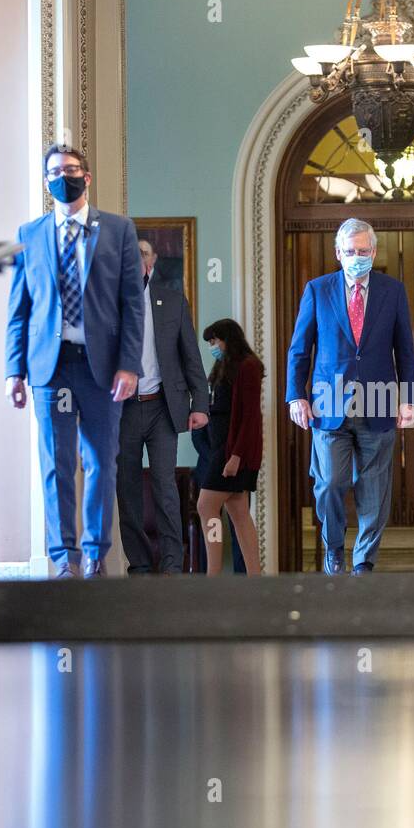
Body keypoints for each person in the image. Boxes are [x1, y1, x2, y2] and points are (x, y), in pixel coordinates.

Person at [5, 143, 144, 579]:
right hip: (50, 366)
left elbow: (131, 304)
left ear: (86, 177)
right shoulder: (30, 234)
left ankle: (95, 556)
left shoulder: (118, 230)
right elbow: (19, 310)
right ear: (47, 183)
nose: (61, 176)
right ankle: (64, 557)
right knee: (56, 462)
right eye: (54, 172)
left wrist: (130, 364)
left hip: (101, 367)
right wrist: (14, 370)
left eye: (69, 169)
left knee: (102, 461)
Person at [286, 217, 414, 576]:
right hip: (328, 402)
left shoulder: (392, 291)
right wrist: (295, 397)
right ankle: (334, 546)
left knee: (375, 490)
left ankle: (363, 561)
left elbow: (405, 349)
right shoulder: (318, 289)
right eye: (350, 252)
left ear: (373, 252)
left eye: (363, 251)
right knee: (329, 482)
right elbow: (299, 350)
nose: (356, 257)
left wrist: (409, 399)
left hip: (380, 401)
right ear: (337, 253)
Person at [115, 230, 210, 575]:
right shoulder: (110, 303)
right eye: (132, 254)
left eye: (143, 253)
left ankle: (172, 565)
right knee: (127, 489)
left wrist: (200, 404)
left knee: (165, 486)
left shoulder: (171, 301)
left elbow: (191, 358)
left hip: (161, 408)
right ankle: (139, 564)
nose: (138, 259)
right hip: (123, 409)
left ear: (151, 262)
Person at [195, 319, 263, 576]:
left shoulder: (248, 366)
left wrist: (235, 456)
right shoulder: (224, 366)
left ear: (228, 338)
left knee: (205, 506)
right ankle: (255, 575)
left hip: (231, 451)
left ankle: (213, 574)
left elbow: (249, 417)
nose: (213, 346)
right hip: (219, 448)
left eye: (214, 341)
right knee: (239, 513)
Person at [191, 424, 246, 573]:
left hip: (235, 469)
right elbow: (197, 439)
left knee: (239, 524)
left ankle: (242, 575)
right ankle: (209, 574)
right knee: (210, 523)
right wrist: (217, 463)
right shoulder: (203, 402)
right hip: (208, 471)